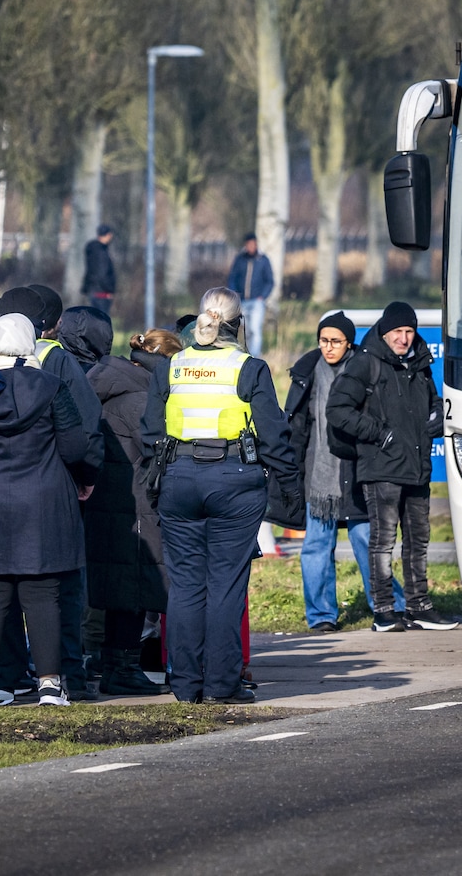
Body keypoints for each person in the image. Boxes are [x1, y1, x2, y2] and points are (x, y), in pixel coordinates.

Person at [158, 288, 301, 703]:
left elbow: (152, 428)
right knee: (225, 584)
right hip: (233, 481)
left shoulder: (173, 365)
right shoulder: (249, 368)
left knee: (184, 585)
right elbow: (274, 434)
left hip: (178, 478)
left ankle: (185, 685)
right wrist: (289, 488)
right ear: (238, 324)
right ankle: (222, 685)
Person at [0, 313, 95, 707]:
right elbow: (75, 447)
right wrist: (83, 478)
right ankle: (49, 684)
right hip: (43, 501)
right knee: (43, 593)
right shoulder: (51, 386)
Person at [0, 285, 105, 700]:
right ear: (50, 324)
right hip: (50, 488)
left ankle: (5, 677)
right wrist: (85, 476)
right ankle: (65, 676)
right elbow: (85, 425)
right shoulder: (56, 359)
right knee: (60, 586)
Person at [59, 307, 167, 697]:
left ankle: (107, 661)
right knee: (133, 589)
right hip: (134, 503)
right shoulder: (141, 396)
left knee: (112, 586)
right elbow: (156, 449)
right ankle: (122, 667)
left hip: (105, 502)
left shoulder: (100, 381)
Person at [327, 301, 454, 633]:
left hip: (416, 465)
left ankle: (419, 606)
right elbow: (338, 409)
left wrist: (433, 423)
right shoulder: (365, 363)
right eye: (398, 331)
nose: (404, 338)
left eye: (410, 331)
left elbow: (433, 403)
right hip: (380, 467)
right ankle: (384, 610)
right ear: (384, 332)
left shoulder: (420, 364)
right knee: (383, 541)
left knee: (418, 540)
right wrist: (379, 434)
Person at [284, 312, 401, 631]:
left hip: (359, 473)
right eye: (323, 340)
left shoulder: (364, 369)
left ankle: (390, 605)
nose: (328, 347)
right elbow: (297, 426)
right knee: (317, 546)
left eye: (335, 341)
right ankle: (321, 615)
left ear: (348, 342)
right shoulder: (308, 370)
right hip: (319, 479)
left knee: (367, 541)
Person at [225, 235, 274, 357]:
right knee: (246, 331)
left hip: (257, 301)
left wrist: (262, 296)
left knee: (255, 329)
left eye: (253, 244)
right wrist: (235, 294)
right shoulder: (240, 259)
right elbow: (232, 277)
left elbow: (270, 281)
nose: (251, 247)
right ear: (245, 245)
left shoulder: (263, 260)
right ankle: (246, 355)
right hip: (242, 301)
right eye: (249, 244)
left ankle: (255, 356)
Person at [82, 224, 117, 317]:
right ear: (108, 235)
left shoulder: (93, 250)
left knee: (94, 318)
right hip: (102, 292)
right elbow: (102, 273)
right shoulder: (101, 253)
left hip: (93, 290)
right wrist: (109, 290)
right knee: (102, 320)